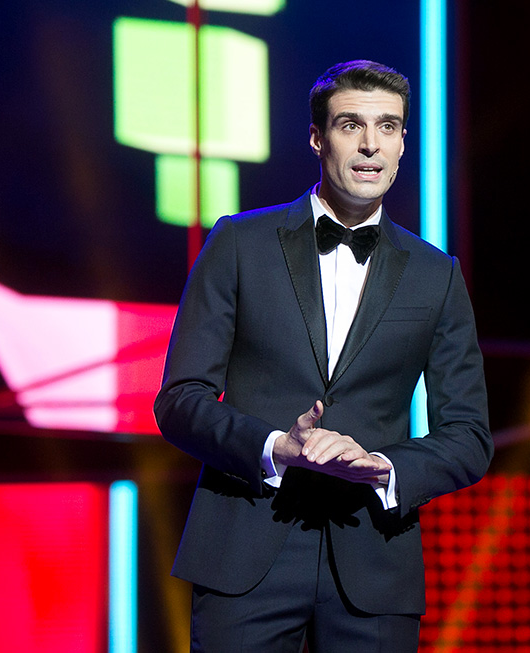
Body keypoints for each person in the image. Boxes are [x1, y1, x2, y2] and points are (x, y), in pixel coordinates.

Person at [155, 60, 492, 652]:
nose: (370, 144)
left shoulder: (437, 275)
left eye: (387, 127)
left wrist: (384, 467)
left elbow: (468, 437)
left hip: (373, 562)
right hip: (244, 549)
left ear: (403, 142)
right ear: (317, 138)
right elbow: (180, 401)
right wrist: (273, 447)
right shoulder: (239, 242)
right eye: (350, 125)